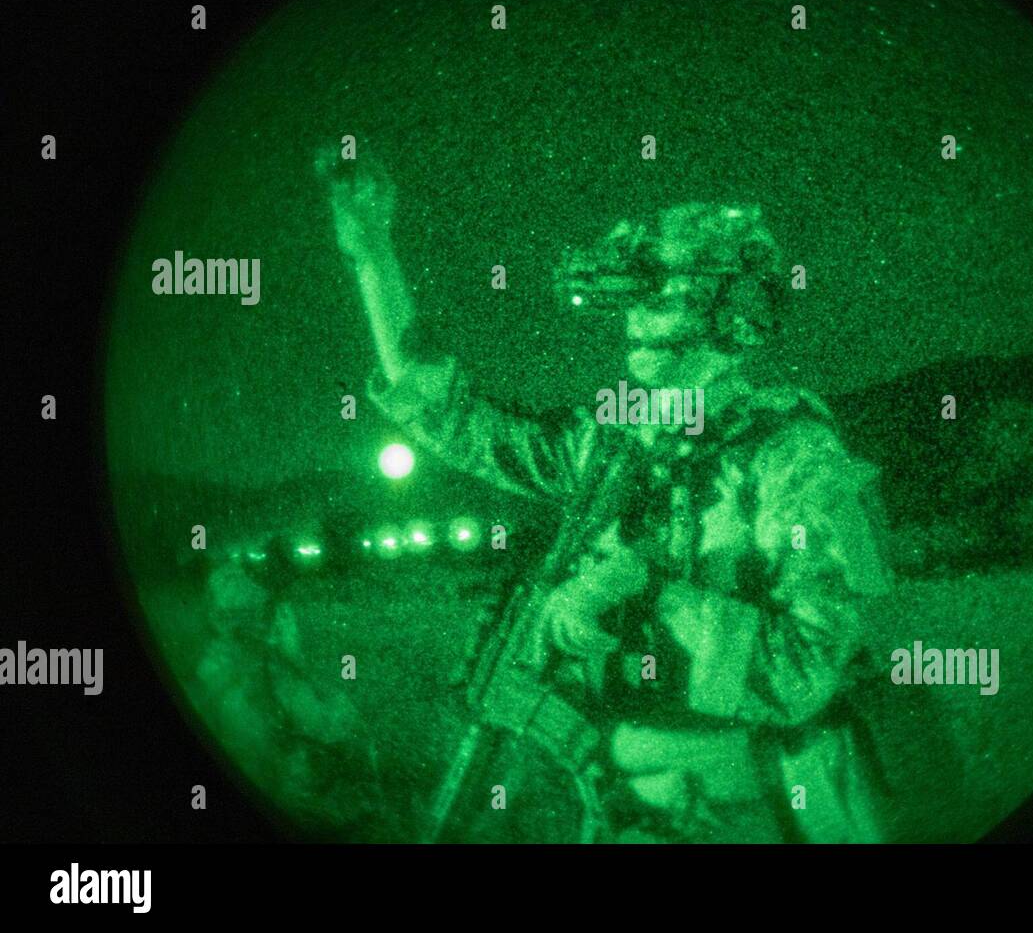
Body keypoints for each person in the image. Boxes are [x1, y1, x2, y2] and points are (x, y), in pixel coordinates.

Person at [318, 150, 893, 842]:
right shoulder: (616, 448)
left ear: (731, 311)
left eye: (658, 295)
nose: (633, 318)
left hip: (766, 810)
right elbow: (452, 417)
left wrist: (647, 596)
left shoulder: (795, 461)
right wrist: (373, 256)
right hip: (635, 813)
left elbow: (806, 672)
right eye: (633, 297)